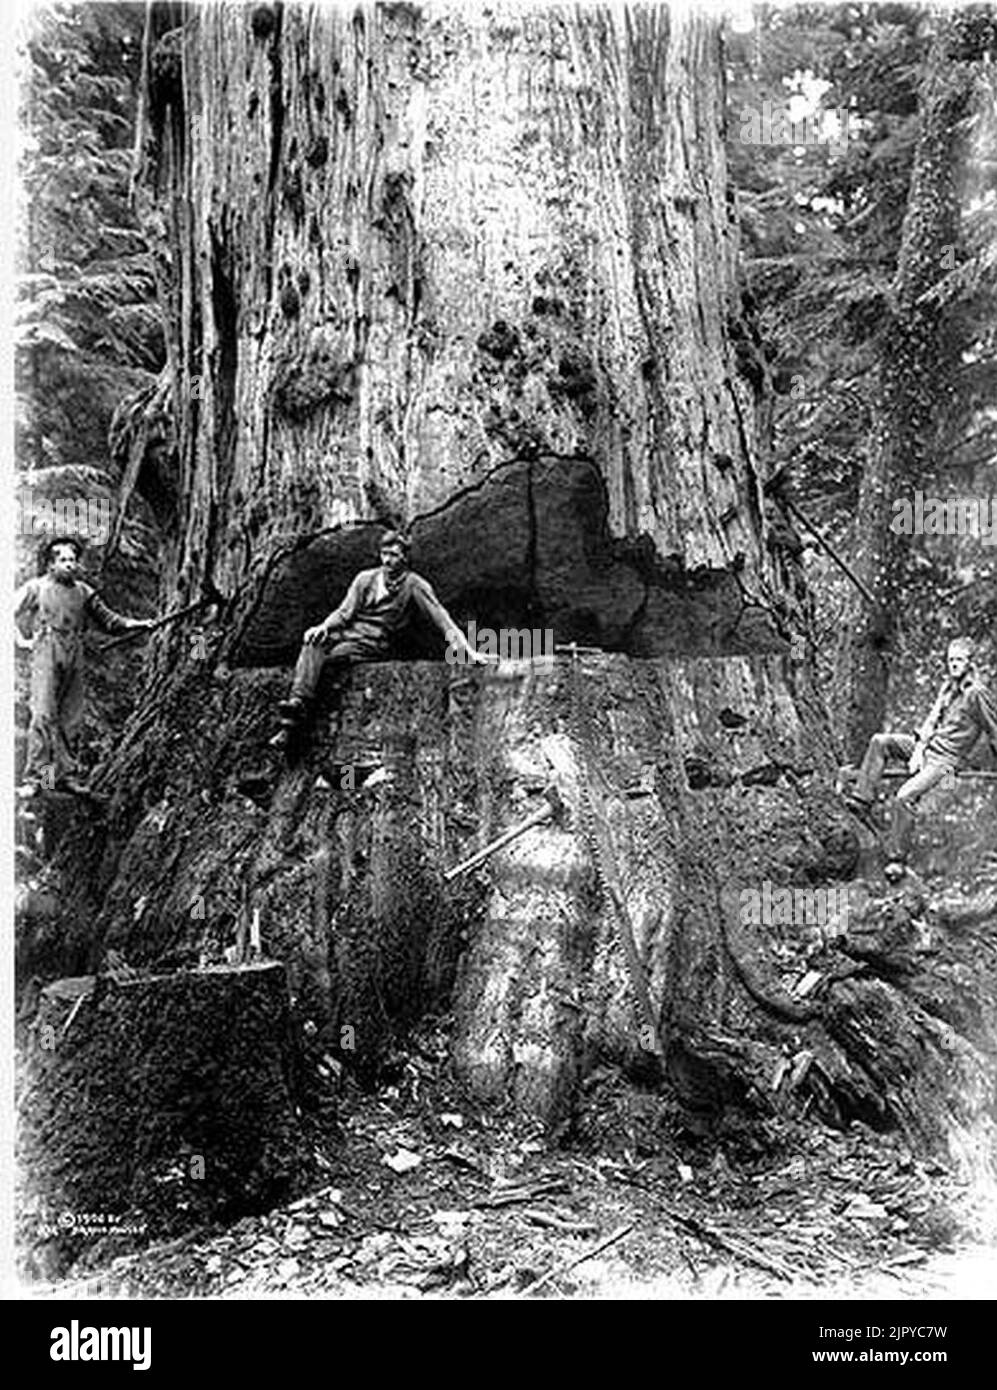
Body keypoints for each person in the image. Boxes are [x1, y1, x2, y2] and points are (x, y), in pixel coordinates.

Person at [275, 529, 486, 743]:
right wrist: (323, 626)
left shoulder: (414, 585)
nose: (387, 560)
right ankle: (296, 705)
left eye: (393, 555)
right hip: (349, 634)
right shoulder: (365, 579)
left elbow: (441, 618)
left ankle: (292, 727)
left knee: (326, 662)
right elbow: (344, 612)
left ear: (404, 557)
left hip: (373, 644)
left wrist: (466, 649)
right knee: (313, 642)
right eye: (384, 554)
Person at [843, 636, 997, 872]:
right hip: (927, 748)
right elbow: (930, 722)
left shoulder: (977, 693)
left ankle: (897, 860)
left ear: (970, 663)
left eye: (959, 660)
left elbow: (994, 729)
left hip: (946, 761)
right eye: (950, 660)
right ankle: (862, 799)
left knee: (904, 796)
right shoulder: (948, 688)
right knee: (881, 741)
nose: (954, 664)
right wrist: (918, 750)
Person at [14, 536, 153, 795]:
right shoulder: (36, 588)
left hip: (74, 651)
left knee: (72, 719)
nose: (70, 564)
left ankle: (65, 777)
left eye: (73, 560)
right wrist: (20, 640)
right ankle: (38, 781)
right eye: (64, 560)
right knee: (44, 715)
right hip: (46, 649)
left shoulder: (84, 591)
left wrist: (137, 624)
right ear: (51, 564)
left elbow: (110, 620)